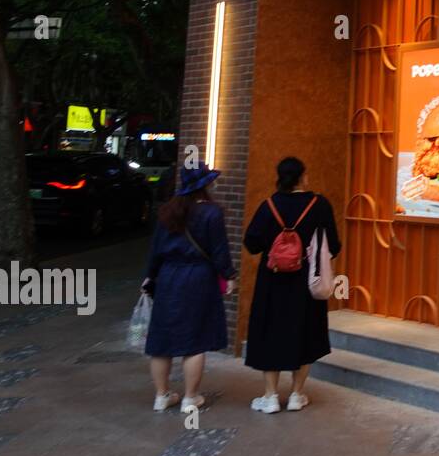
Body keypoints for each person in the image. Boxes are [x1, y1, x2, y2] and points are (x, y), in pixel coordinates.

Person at [243, 156, 341, 413]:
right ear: (302, 176)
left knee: (270, 332)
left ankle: (270, 396)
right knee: (305, 331)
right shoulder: (319, 205)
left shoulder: (268, 206)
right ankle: (297, 394)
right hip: (307, 282)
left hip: (272, 281)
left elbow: (251, 243)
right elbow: (334, 245)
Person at [141, 165, 236, 413]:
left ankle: (161, 395)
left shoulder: (167, 212)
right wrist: (229, 275)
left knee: (161, 340)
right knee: (195, 340)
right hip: (198, 277)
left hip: (168, 277)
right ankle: (190, 397)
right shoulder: (212, 213)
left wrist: (150, 276)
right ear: (204, 185)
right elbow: (219, 250)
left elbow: (155, 249)